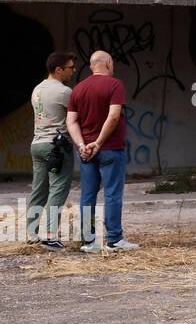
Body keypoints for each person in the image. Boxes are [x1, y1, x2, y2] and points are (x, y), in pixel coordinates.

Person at [67, 50, 136, 252]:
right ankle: (114, 239)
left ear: (91, 66)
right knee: (112, 193)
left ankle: (89, 241)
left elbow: (71, 121)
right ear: (107, 63)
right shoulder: (115, 85)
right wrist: (98, 143)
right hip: (110, 148)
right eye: (112, 63)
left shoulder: (78, 89)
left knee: (87, 195)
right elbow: (113, 116)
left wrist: (82, 145)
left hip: (86, 152)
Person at [28, 51, 78, 250]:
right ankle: (50, 236)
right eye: (70, 67)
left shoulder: (37, 89)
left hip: (37, 144)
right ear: (58, 69)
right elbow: (75, 118)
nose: (73, 71)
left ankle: (32, 233)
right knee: (58, 188)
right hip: (57, 147)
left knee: (38, 190)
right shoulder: (64, 92)